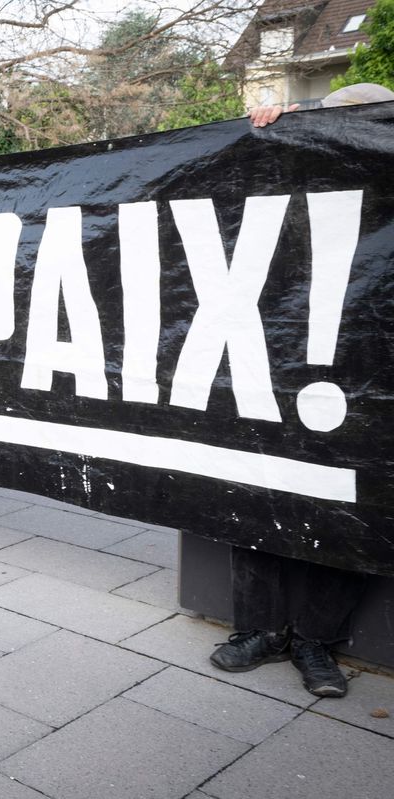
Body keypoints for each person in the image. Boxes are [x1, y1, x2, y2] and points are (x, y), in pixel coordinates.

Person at [208, 82, 394, 698]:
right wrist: (272, 125)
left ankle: (316, 641)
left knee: (354, 511)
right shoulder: (287, 169)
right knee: (255, 490)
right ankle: (257, 630)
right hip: (276, 358)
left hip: (364, 377)